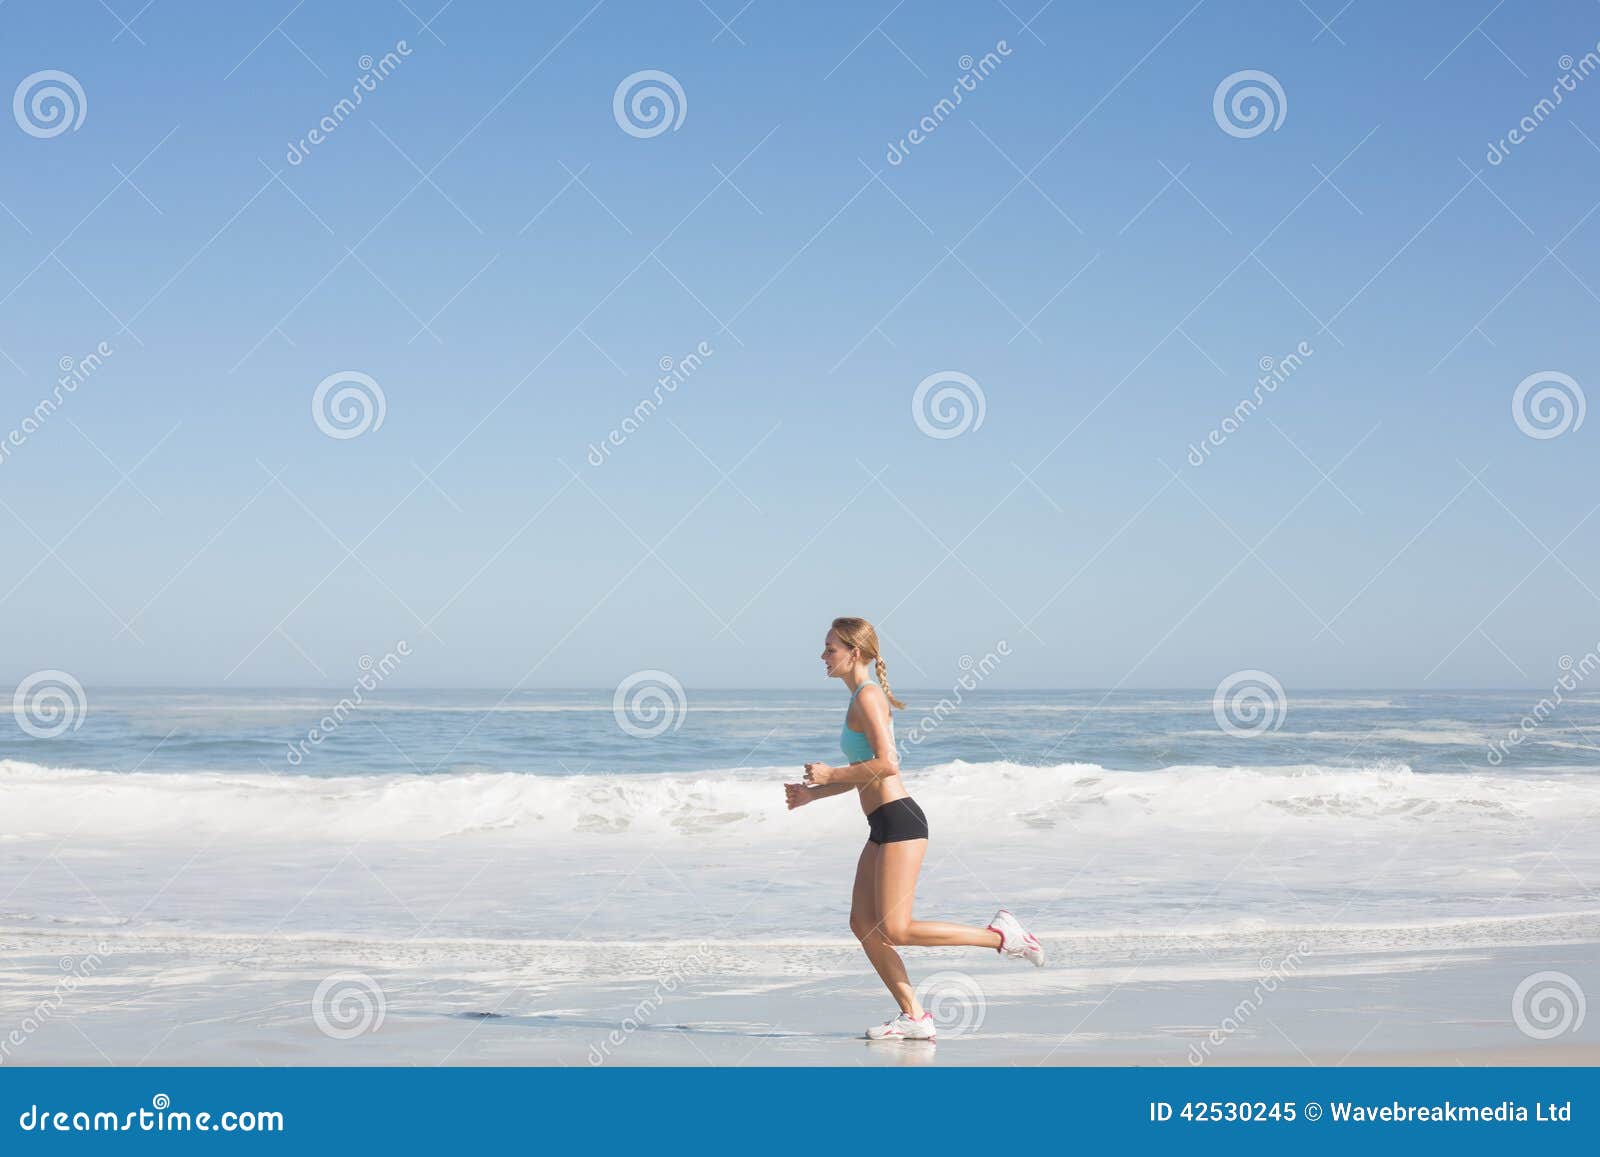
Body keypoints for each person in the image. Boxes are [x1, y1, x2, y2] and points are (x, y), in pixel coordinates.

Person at [785, 616, 1043, 1042]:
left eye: (831, 648)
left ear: (854, 652)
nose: (823, 655)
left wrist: (831, 774)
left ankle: (1002, 937)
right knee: (863, 924)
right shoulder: (858, 700)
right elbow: (865, 773)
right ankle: (915, 1017)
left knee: (896, 929)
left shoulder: (868, 697)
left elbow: (888, 763)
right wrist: (815, 793)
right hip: (881, 823)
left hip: (900, 821)